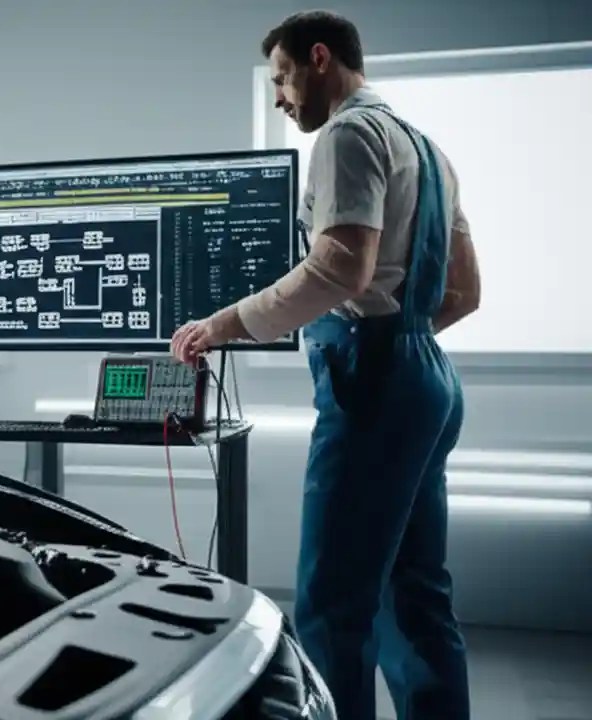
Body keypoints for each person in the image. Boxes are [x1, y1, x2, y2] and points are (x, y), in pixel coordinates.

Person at [169, 10, 481, 720]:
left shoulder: (347, 133)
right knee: (417, 594)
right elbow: (465, 293)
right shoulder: (430, 150)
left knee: (336, 601)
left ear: (318, 58)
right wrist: (400, 335)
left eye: (280, 77)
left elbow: (339, 266)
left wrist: (222, 325)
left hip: (375, 380)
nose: (280, 96)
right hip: (427, 377)